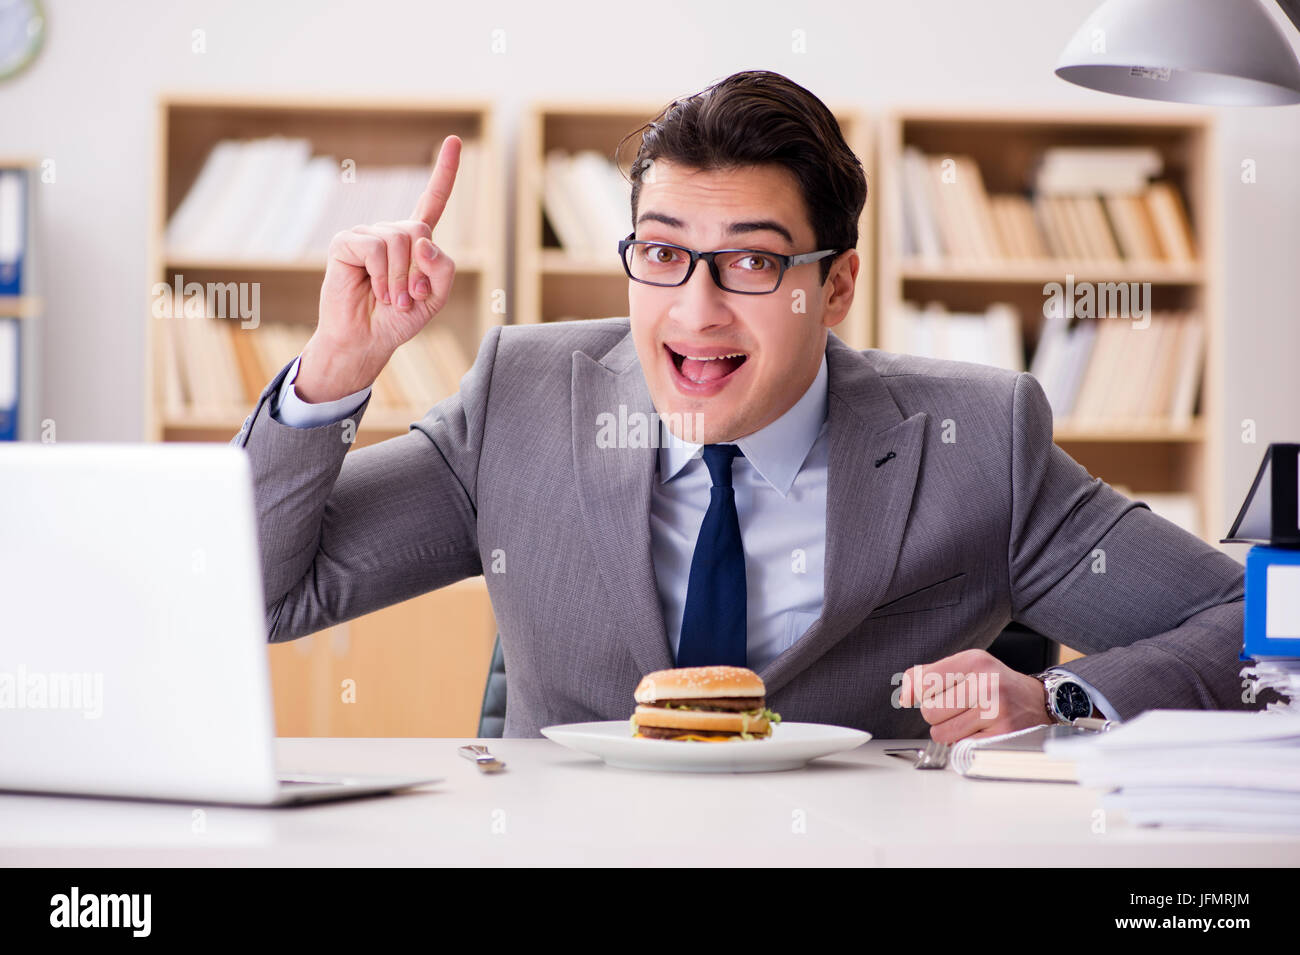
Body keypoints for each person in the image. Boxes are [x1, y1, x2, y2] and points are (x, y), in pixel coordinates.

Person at [231, 69, 1265, 742]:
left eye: (753, 264)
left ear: (839, 286)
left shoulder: (974, 443)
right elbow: (263, 595)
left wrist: (1056, 701)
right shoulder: (523, 403)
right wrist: (333, 369)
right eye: (665, 252)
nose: (696, 308)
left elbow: (1257, 627)